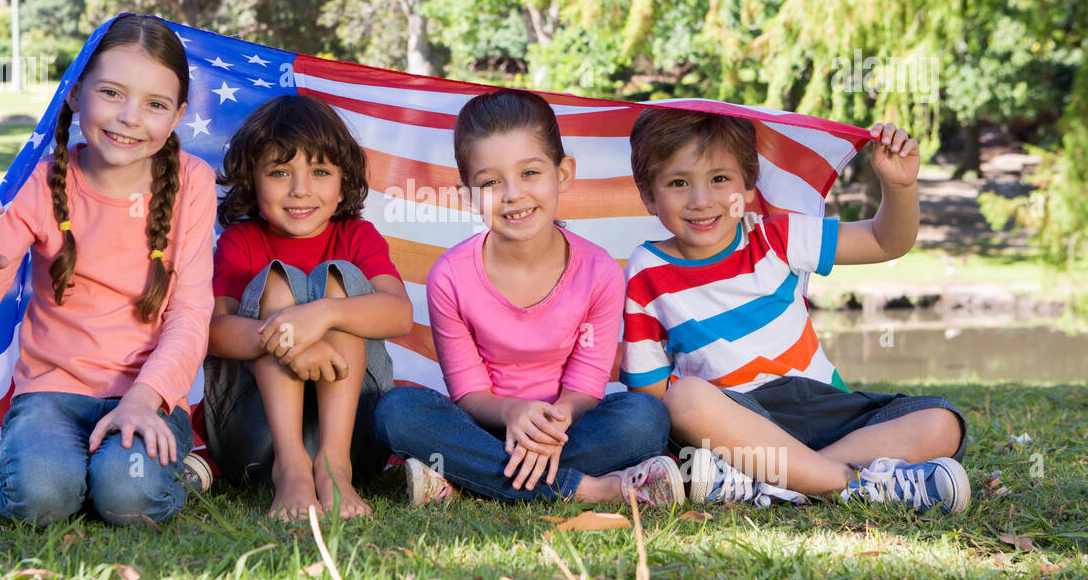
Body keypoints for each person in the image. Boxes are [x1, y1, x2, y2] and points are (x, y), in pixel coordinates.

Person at [0, 14, 216, 527]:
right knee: (42, 501)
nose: (130, 117)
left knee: (127, 501)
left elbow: (191, 313)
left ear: (176, 116)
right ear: (74, 93)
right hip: (50, 396)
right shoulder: (41, 186)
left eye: (155, 104)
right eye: (112, 92)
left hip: (148, 393)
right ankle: (24, 460)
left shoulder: (193, 182)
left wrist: (142, 401)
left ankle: (179, 468)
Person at [622, 108, 970, 512]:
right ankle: (851, 484)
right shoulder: (647, 269)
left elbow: (884, 241)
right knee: (684, 400)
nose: (702, 200)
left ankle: (774, 484)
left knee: (942, 423)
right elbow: (647, 398)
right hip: (735, 420)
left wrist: (900, 187)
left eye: (720, 179)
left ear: (749, 186)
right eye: (679, 183)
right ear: (649, 196)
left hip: (821, 408)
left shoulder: (776, 237)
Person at [374, 90, 682, 508]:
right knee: (397, 410)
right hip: (483, 426)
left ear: (564, 173)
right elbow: (468, 391)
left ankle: (467, 480)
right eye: (490, 182)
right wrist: (513, 414)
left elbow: (586, 384)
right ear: (467, 195)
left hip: (568, 429)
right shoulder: (451, 276)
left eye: (530, 173)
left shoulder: (600, 272)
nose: (513, 194)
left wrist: (555, 422)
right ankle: (590, 487)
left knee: (645, 419)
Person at [203, 95, 412, 521]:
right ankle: (292, 468)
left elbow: (399, 314)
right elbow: (212, 331)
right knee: (278, 281)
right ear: (252, 180)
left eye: (320, 172)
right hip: (256, 438)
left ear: (342, 184)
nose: (300, 189)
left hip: (356, 438)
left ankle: (334, 467)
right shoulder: (239, 242)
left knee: (337, 277)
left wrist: (324, 317)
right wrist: (290, 341)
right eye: (280, 172)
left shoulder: (358, 235)